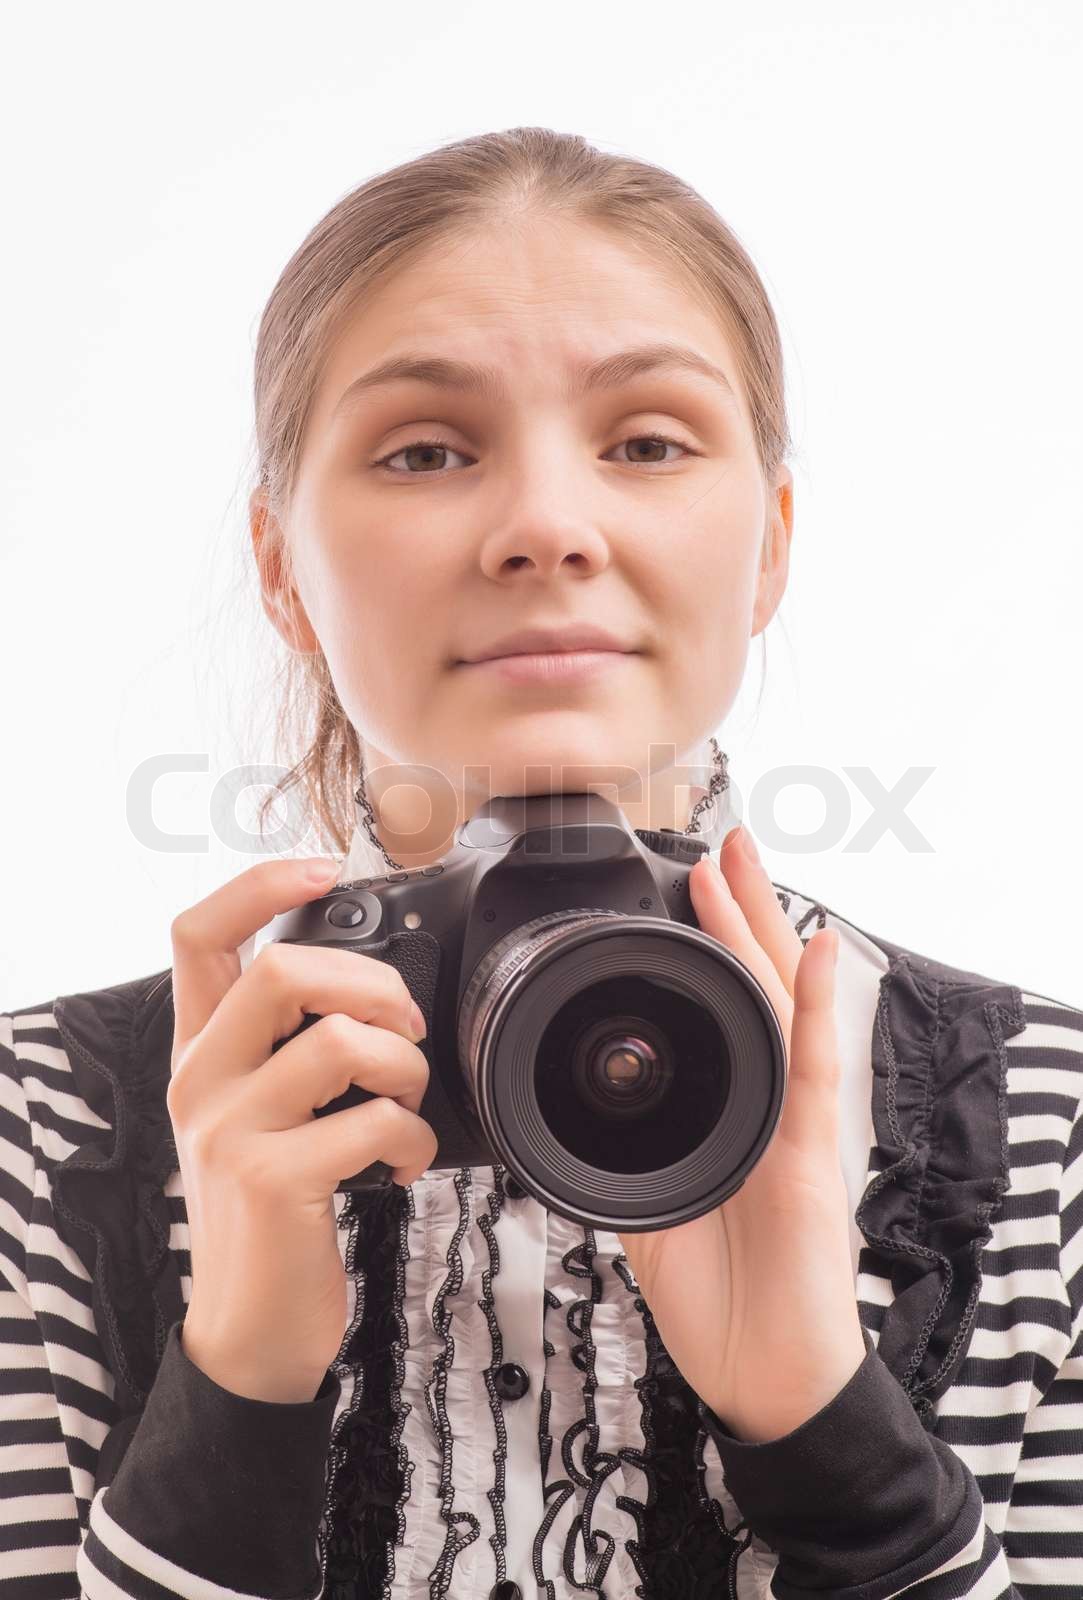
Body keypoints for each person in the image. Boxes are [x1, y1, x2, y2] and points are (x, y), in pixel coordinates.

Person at [1, 125, 1080, 1600]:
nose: (546, 529)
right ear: (280, 567)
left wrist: (833, 1433)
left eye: (646, 442)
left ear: (768, 545)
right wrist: (235, 1393)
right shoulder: (38, 1138)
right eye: (427, 451)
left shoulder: (1046, 1133)